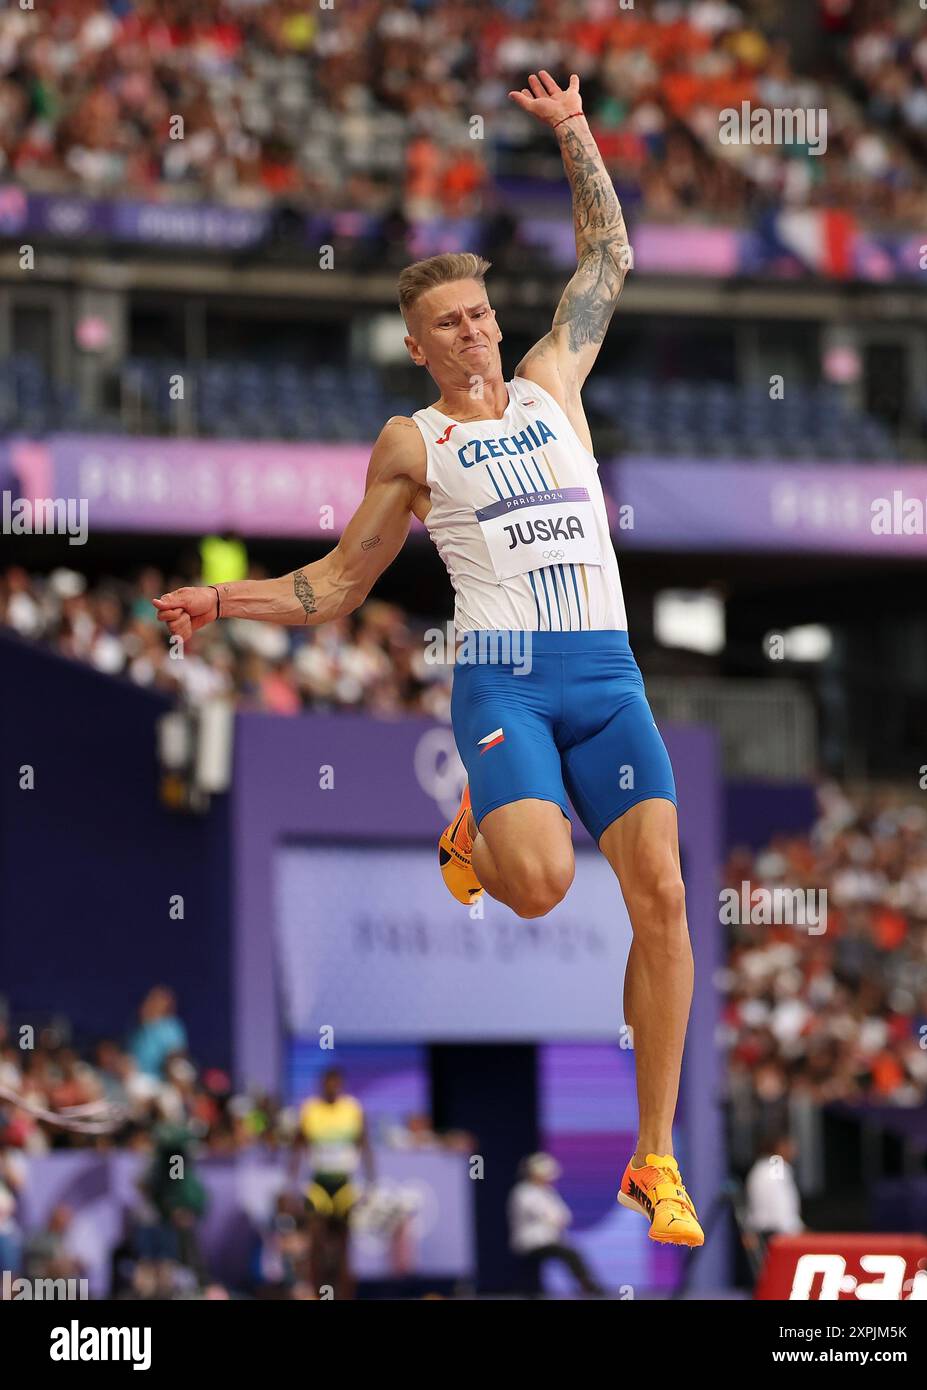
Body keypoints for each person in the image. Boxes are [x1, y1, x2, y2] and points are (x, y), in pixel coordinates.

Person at [153, 71, 702, 1248]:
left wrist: (571, 132)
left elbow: (608, 263)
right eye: (450, 320)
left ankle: (653, 1158)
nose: (477, 328)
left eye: (482, 311)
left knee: (661, 895)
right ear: (416, 342)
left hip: (607, 673)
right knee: (547, 883)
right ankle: (480, 839)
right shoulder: (415, 442)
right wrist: (221, 596)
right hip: (504, 671)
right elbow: (337, 585)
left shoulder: (556, 384)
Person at [293, 1068, 373, 1298]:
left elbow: (365, 1145)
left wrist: (370, 1184)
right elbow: (297, 1148)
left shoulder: (352, 1109)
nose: (331, 1088)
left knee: (343, 1248)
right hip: (319, 1183)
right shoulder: (310, 1110)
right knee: (316, 1245)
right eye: (327, 1083)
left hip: (344, 1184)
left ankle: (344, 1295)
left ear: (340, 1084)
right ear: (322, 1084)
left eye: (335, 1083)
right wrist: (291, 1185)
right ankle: (319, 1294)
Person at [508, 1153, 603, 1297]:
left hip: (550, 1240)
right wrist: (554, 1219)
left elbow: (564, 1216)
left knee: (571, 1253)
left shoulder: (548, 1192)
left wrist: (555, 1219)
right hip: (530, 1243)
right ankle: (586, 1285)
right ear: (534, 1173)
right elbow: (545, 1215)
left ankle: (587, 1285)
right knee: (568, 1253)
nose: (548, 1178)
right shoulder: (523, 1192)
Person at [744, 1133, 804, 1243]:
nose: (795, 1151)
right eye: (790, 1146)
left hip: (764, 1234)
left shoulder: (761, 1167)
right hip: (775, 1237)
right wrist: (801, 1234)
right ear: (780, 1147)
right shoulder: (776, 1168)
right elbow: (783, 1215)